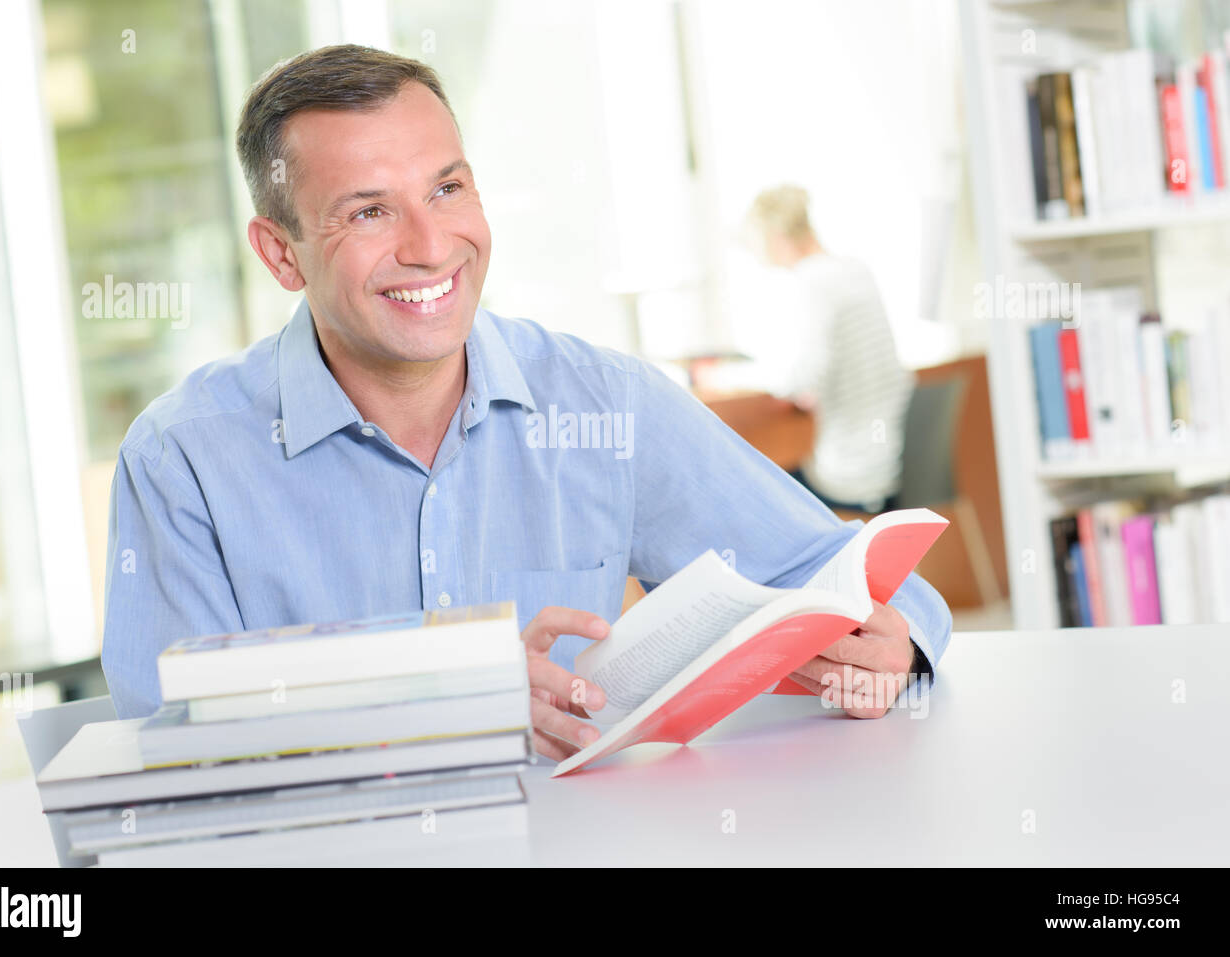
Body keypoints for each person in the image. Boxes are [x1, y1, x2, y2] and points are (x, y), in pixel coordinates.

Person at [101, 45, 951, 762]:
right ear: (281, 254)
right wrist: (443, 692)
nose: (431, 248)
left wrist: (893, 641)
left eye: (447, 190)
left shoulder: (606, 404)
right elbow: (169, 736)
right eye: (368, 212)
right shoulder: (183, 459)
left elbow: (834, 571)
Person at [724, 185, 915, 515]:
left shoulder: (813, 282)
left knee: (749, 501)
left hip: (850, 476)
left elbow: (801, 378)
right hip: (889, 465)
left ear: (776, 237)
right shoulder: (855, 269)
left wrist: (732, 373)